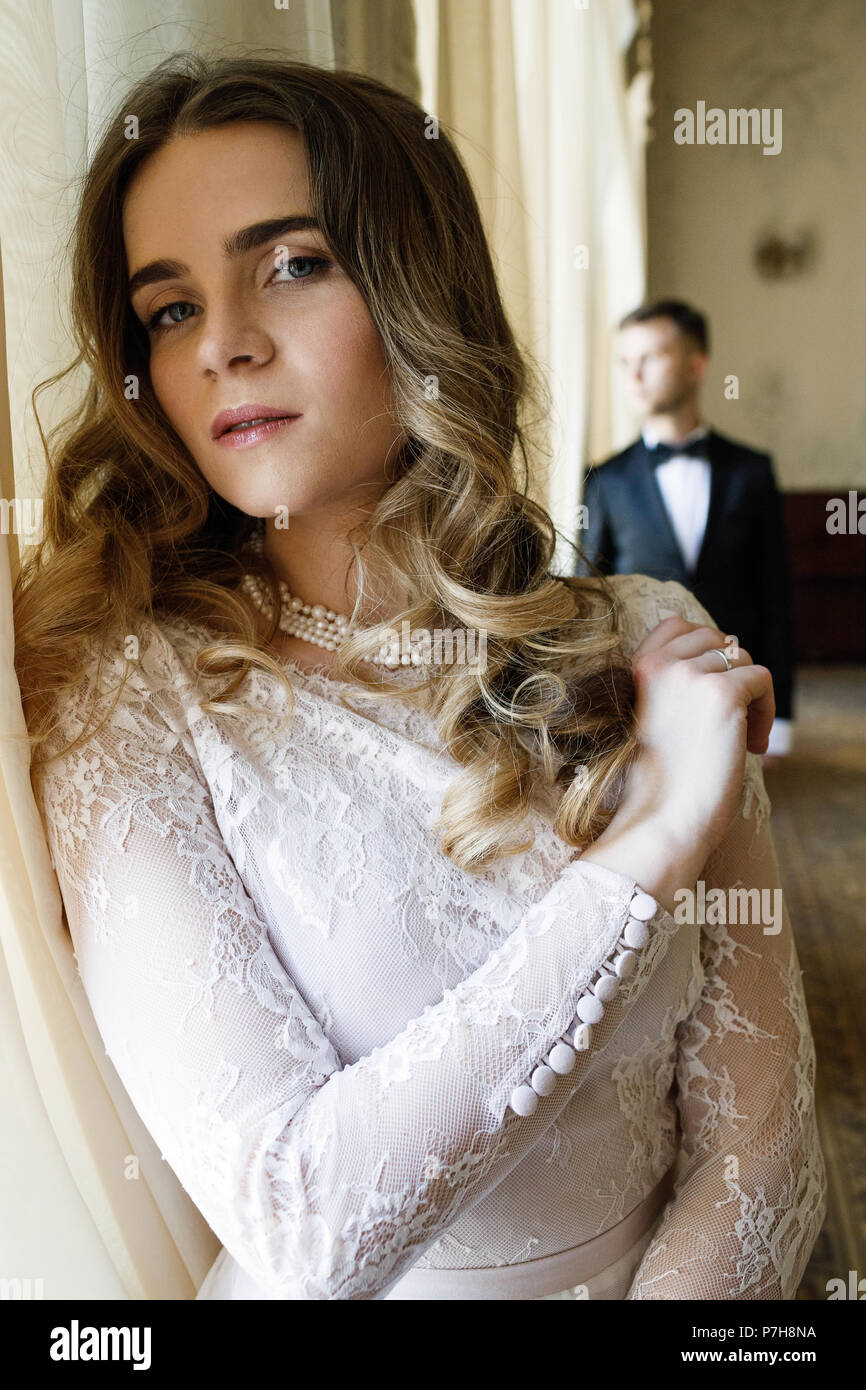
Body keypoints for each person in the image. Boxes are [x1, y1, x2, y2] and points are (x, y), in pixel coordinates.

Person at [13, 54, 826, 1301]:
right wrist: (651, 840)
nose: (223, 345)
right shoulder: (129, 697)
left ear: (417, 286)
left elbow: (758, 1152)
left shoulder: (648, 636)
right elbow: (299, 1219)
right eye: (169, 308)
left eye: (289, 264)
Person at [575, 300, 796, 770]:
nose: (634, 375)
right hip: (648, 702)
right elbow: (589, 598)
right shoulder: (605, 479)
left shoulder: (752, 472)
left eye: (651, 357)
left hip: (740, 679)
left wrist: (785, 716)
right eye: (624, 361)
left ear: (697, 364)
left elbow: (775, 593)